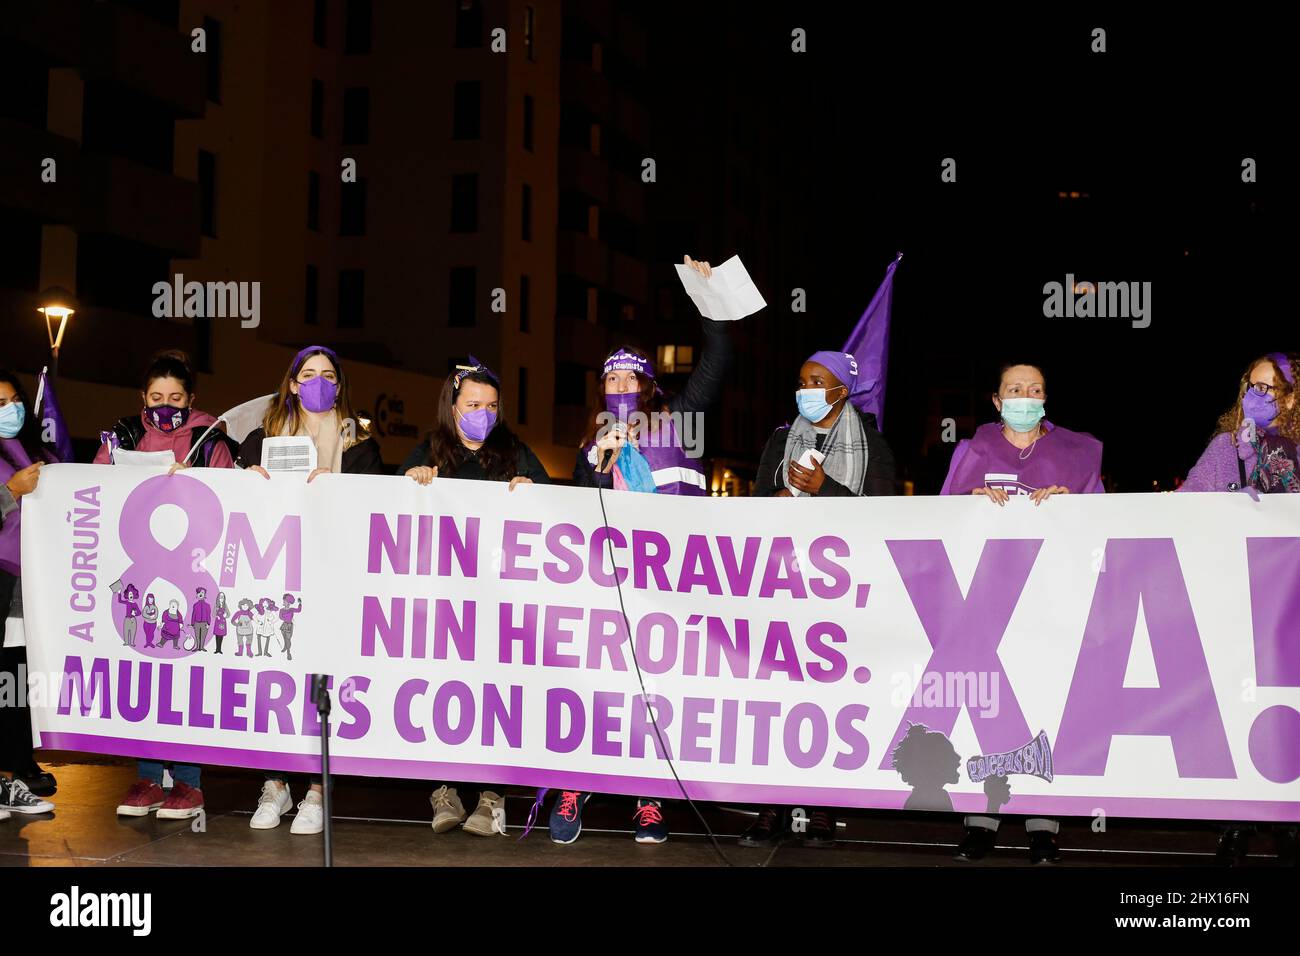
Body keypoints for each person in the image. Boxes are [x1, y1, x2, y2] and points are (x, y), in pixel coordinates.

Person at [551, 255, 735, 846]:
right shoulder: (590, 443)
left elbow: (718, 361)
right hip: (603, 589)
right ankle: (573, 787)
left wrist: (711, 298)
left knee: (651, 694)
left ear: (649, 387)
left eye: (631, 380)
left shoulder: (679, 422)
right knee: (593, 689)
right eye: (612, 381)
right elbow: (580, 517)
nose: (622, 389)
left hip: (663, 587)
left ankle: (648, 799)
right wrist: (596, 464)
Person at [942, 362, 1103, 864]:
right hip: (986, 601)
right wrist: (967, 503)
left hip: (1049, 601)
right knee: (990, 707)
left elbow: (1100, 520)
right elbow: (940, 516)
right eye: (1015, 389)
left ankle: (1042, 824)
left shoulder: (1076, 451)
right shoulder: (974, 449)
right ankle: (981, 822)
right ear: (996, 400)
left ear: (1047, 397)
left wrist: (1070, 504)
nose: (1025, 396)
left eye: (1035, 389)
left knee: (1042, 707)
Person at [740, 349, 897, 848]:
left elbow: (886, 518)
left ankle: (822, 808)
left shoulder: (872, 445)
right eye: (802, 379)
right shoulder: (781, 440)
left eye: (817, 380)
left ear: (841, 391)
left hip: (840, 593)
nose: (806, 388)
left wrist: (824, 488)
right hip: (785, 586)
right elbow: (758, 503)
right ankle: (770, 807)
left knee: (826, 699)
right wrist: (777, 499)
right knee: (778, 696)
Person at [238, 345, 386, 835]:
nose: (318, 382)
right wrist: (249, 479)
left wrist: (340, 486)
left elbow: (375, 502)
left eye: (328, 375)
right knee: (274, 676)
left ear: (339, 386)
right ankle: (276, 785)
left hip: (333, 573)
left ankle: (317, 792)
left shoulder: (360, 440)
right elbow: (231, 494)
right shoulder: (261, 436)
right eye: (308, 374)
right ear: (293, 384)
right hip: (275, 573)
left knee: (321, 677)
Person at [402, 357, 549, 836]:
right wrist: (414, 482)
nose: (482, 412)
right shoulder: (429, 450)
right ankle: (444, 791)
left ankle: (492, 797)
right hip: (442, 603)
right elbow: (390, 511)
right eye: (472, 404)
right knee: (443, 692)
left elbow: (551, 508)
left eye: (490, 405)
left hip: (499, 603)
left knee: (494, 696)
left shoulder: (516, 453)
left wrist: (533, 489)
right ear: (453, 406)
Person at [95, 350, 236, 820]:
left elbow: (230, 492)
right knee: (146, 672)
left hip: (194, 568)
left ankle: (190, 783)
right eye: (156, 396)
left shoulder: (209, 437)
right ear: (143, 398)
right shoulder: (123, 434)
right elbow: (93, 484)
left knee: (186, 674)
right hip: (137, 569)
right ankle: (149, 777)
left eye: (176, 397)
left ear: (191, 398)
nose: (165, 404)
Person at [1179, 353, 1299, 866]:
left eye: (1270, 388)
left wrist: (1271, 472)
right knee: (1242, 702)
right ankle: (1237, 821)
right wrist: (1233, 486)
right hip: (1241, 595)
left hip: (1289, 598)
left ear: (1292, 397)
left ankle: (1288, 819)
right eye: (1251, 385)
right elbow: (1192, 500)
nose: (1258, 395)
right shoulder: (1227, 445)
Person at [0, 369, 62, 814]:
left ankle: (20, 764)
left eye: (14, 400)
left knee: (16, 678)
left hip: (30, 577)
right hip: (2, 572)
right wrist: (8, 491)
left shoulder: (37, 449)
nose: (10, 410)